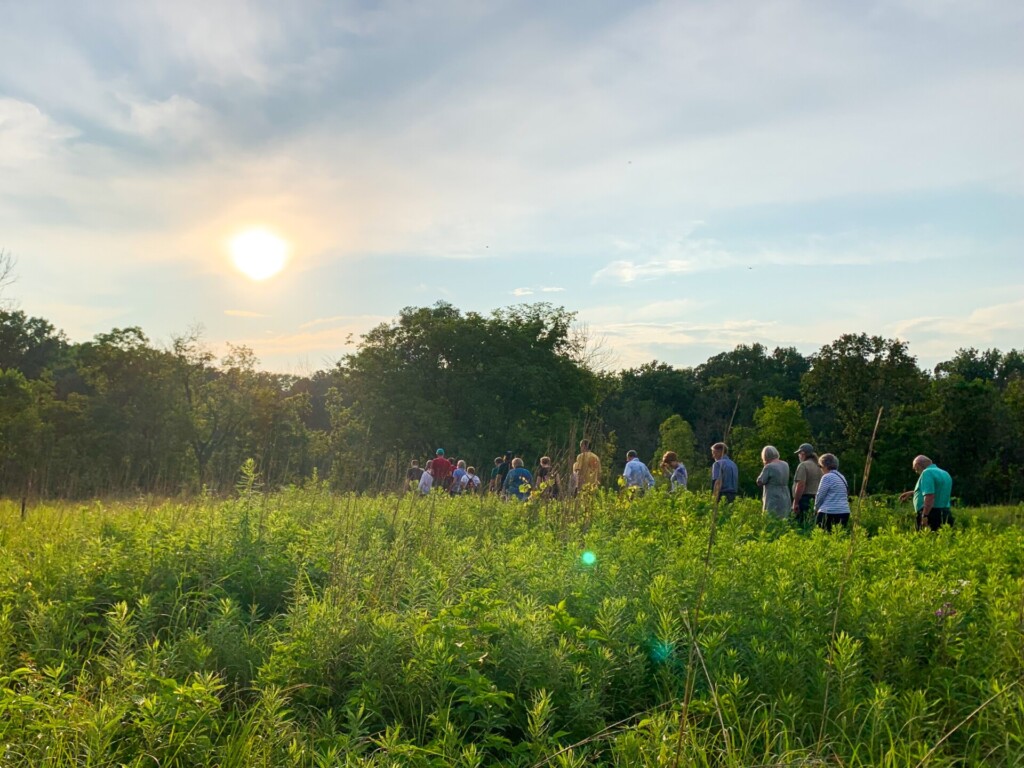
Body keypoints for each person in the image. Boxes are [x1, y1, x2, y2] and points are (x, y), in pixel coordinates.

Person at [898, 455, 954, 531]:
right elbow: (937, 491)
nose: (916, 472)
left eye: (915, 469)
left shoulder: (926, 473)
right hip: (945, 513)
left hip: (931, 514)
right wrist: (913, 492)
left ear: (917, 465)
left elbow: (929, 496)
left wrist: (924, 516)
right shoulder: (945, 473)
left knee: (925, 540)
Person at [814, 453, 851, 531]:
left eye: (820, 466)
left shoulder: (827, 477)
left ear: (825, 466)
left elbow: (820, 495)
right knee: (838, 537)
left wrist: (816, 508)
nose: (821, 469)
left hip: (829, 512)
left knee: (823, 536)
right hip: (844, 511)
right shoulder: (842, 477)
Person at [756, 445, 791, 518]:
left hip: (772, 496)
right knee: (783, 518)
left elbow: (760, 481)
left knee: (771, 517)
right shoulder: (785, 464)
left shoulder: (769, 467)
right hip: (785, 494)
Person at [791, 443, 822, 526]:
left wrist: (796, 502)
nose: (798, 456)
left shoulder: (803, 465)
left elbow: (801, 485)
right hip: (817, 499)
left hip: (805, 500)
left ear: (803, 453)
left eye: (799, 453)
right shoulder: (819, 466)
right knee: (813, 524)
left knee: (801, 524)